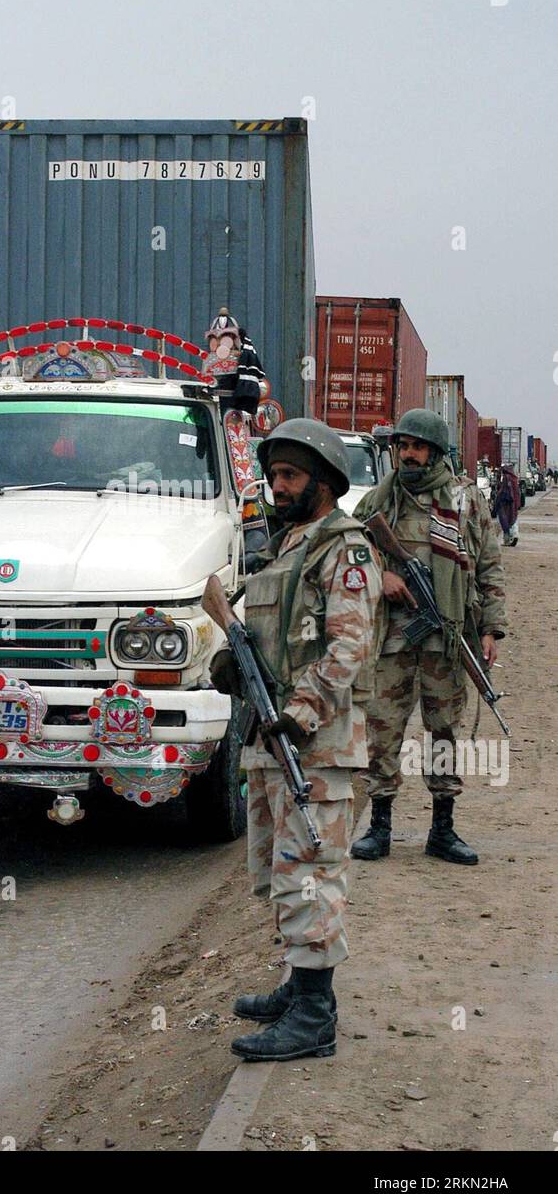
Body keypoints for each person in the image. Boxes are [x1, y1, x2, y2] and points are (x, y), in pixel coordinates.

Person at [210, 419, 382, 1062]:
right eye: (274, 475)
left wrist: (302, 710)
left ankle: (315, 1017)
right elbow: (260, 638)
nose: (277, 486)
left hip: (316, 741)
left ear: (325, 483)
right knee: (277, 871)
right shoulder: (284, 550)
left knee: (311, 871)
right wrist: (227, 665)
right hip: (272, 740)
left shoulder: (345, 549)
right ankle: (299, 984)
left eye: (290, 476)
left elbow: (349, 646)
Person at [350, 409, 507, 866]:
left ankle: (442, 828)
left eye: (418, 447)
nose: (409, 454)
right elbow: (349, 555)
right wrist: (381, 574)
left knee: (444, 733)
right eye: (402, 446)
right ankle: (379, 826)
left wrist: (492, 629)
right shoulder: (377, 502)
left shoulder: (465, 501)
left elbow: (490, 566)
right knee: (384, 730)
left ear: (436, 452)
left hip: (448, 636)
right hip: (392, 639)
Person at [203, 308, 265, 417]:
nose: (219, 344)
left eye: (225, 339)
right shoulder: (209, 361)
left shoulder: (242, 361)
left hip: (233, 408)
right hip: (211, 408)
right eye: (214, 339)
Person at [494, 462, 520, 546]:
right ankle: (514, 535)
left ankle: (507, 539)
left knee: (503, 520)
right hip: (513, 504)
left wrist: (498, 502)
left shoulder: (505, 478)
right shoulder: (514, 479)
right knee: (513, 519)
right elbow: (516, 493)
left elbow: (502, 491)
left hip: (505, 504)